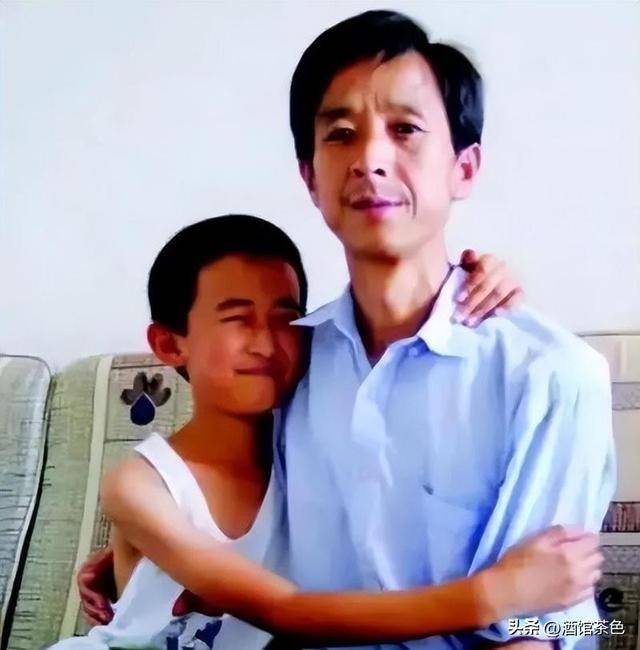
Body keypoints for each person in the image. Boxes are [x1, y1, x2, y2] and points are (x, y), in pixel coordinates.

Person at [80, 9, 616, 650]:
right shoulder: (292, 362)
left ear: (465, 168)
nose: (369, 159)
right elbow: (220, 497)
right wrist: (140, 555)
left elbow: (560, 624)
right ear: (310, 177)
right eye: (340, 134)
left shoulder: (551, 375)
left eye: (405, 129)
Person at [51, 215, 601, 650]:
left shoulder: (312, 441)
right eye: (237, 318)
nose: (266, 343)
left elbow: (586, 624)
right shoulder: (143, 485)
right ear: (169, 344)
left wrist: (479, 275)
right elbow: (283, 609)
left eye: (284, 317)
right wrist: (494, 595)